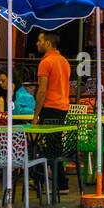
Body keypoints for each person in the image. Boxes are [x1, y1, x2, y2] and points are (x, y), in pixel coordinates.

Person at [32, 31, 73, 192]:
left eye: (39, 40)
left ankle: (55, 182)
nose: (37, 43)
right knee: (54, 146)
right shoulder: (64, 62)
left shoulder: (46, 62)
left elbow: (42, 90)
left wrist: (36, 115)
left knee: (47, 147)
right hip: (62, 107)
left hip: (49, 107)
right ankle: (49, 181)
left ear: (48, 43)